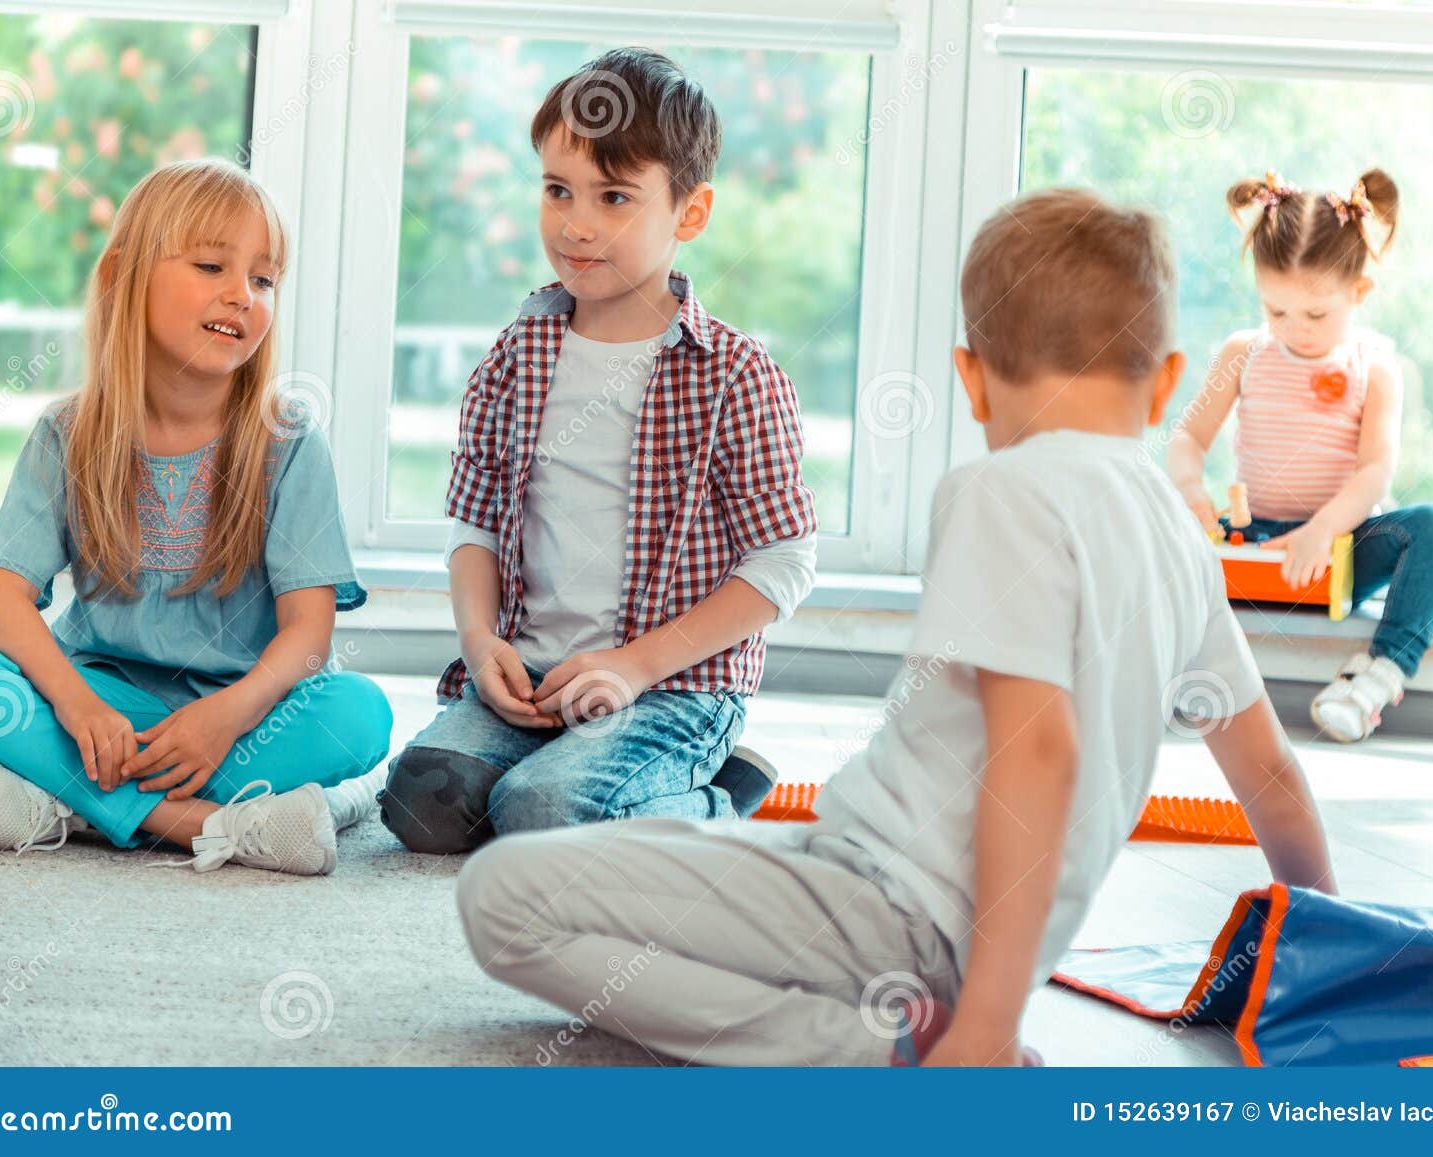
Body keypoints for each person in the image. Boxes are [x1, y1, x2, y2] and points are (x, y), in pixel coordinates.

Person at [451, 188, 1338, 1065]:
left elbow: (1038, 752)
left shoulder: (1005, 492)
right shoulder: (1179, 538)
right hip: (906, 898)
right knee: (648, 856)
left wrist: (987, 1031)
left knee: (500, 894)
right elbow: (1266, 768)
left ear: (972, 378)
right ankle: (889, 1016)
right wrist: (1328, 949)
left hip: (890, 904)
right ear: (1169, 384)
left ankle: (873, 1050)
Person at [379, 49, 817, 854]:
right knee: (419, 807)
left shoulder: (736, 374)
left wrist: (636, 666)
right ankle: (584, 776)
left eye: (613, 197)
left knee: (546, 813)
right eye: (557, 191)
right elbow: (473, 528)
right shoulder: (515, 354)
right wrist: (481, 648)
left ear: (690, 212)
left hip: (670, 688)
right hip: (534, 676)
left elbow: (783, 562)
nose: (575, 225)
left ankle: (719, 801)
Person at [0, 159, 391, 876]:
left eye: (264, 278)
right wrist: (77, 707)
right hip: (101, 708)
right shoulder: (66, 434)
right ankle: (202, 824)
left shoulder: (289, 441)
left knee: (359, 715)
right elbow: (1, 604)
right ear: (125, 275)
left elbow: (309, 635)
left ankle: (69, 802)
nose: (241, 294)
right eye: (212, 264)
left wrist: (225, 717)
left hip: (240, 715)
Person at [1168, 169, 1433, 742]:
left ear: (1359, 293)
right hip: (1250, 543)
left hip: (1338, 551)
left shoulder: (1374, 367)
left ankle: (1375, 676)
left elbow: (1376, 472)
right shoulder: (1244, 352)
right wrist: (1190, 489)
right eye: (1276, 312)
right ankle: (1170, 671)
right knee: (1148, 517)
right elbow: (1187, 439)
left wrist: (1321, 532)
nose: (1294, 330)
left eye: (1316, 315)